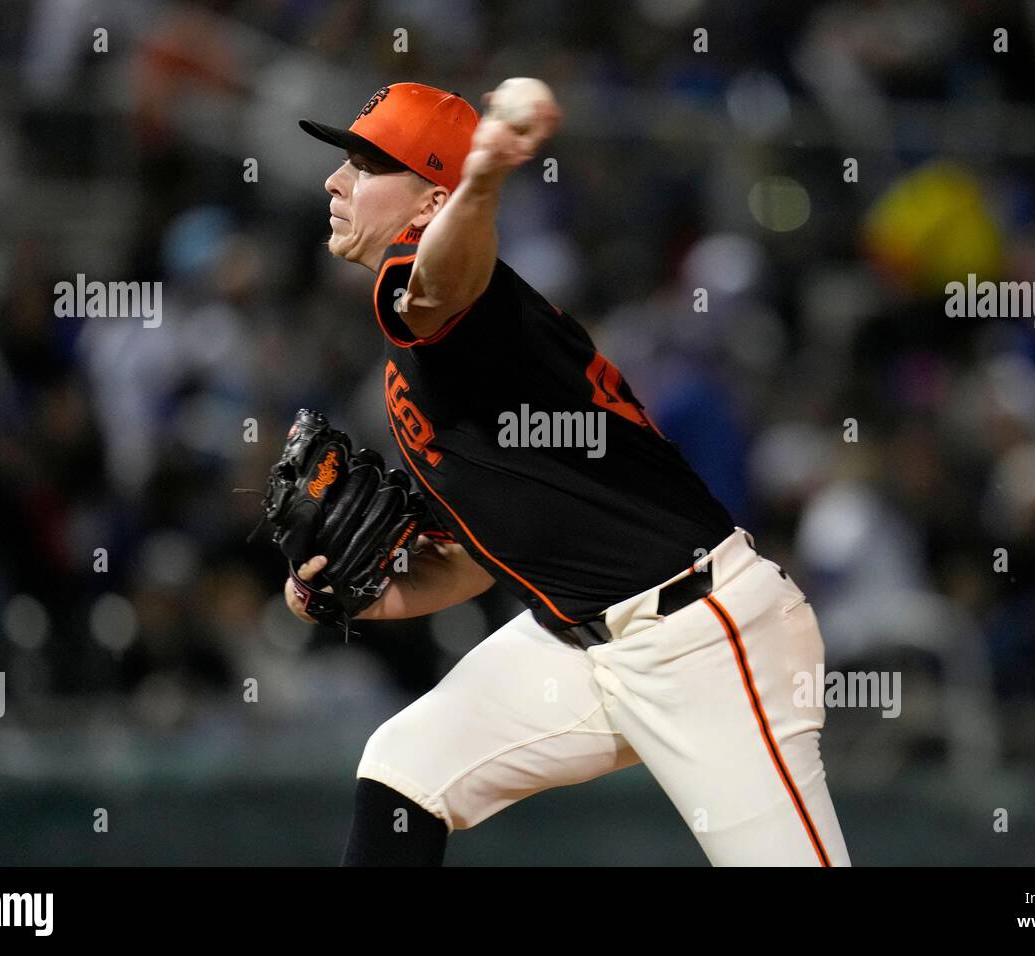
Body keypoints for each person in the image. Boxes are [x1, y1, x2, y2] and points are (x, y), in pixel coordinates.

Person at [288, 82, 851, 867]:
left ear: (432, 202)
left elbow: (444, 281)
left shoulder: (453, 300)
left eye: (366, 164)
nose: (335, 181)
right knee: (404, 771)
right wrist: (385, 592)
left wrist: (482, 181)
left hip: (706, 638)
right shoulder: (432, 349)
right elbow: (485, 558)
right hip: (577, 642)